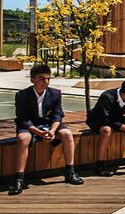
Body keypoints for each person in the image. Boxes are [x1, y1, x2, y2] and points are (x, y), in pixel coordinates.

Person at [8, 63, 84, 195]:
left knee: (67, 134)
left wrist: (52, 131)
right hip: (31, 125)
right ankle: (19, 178)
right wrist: (39, 132)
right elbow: (23, 119)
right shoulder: (22, 95)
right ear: (33, 80)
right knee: (23, 138)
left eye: (48, 78)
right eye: (42, 79)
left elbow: (58, 115)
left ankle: (70, 172)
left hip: (49, 124)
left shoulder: (55, 93)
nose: (46, 82)